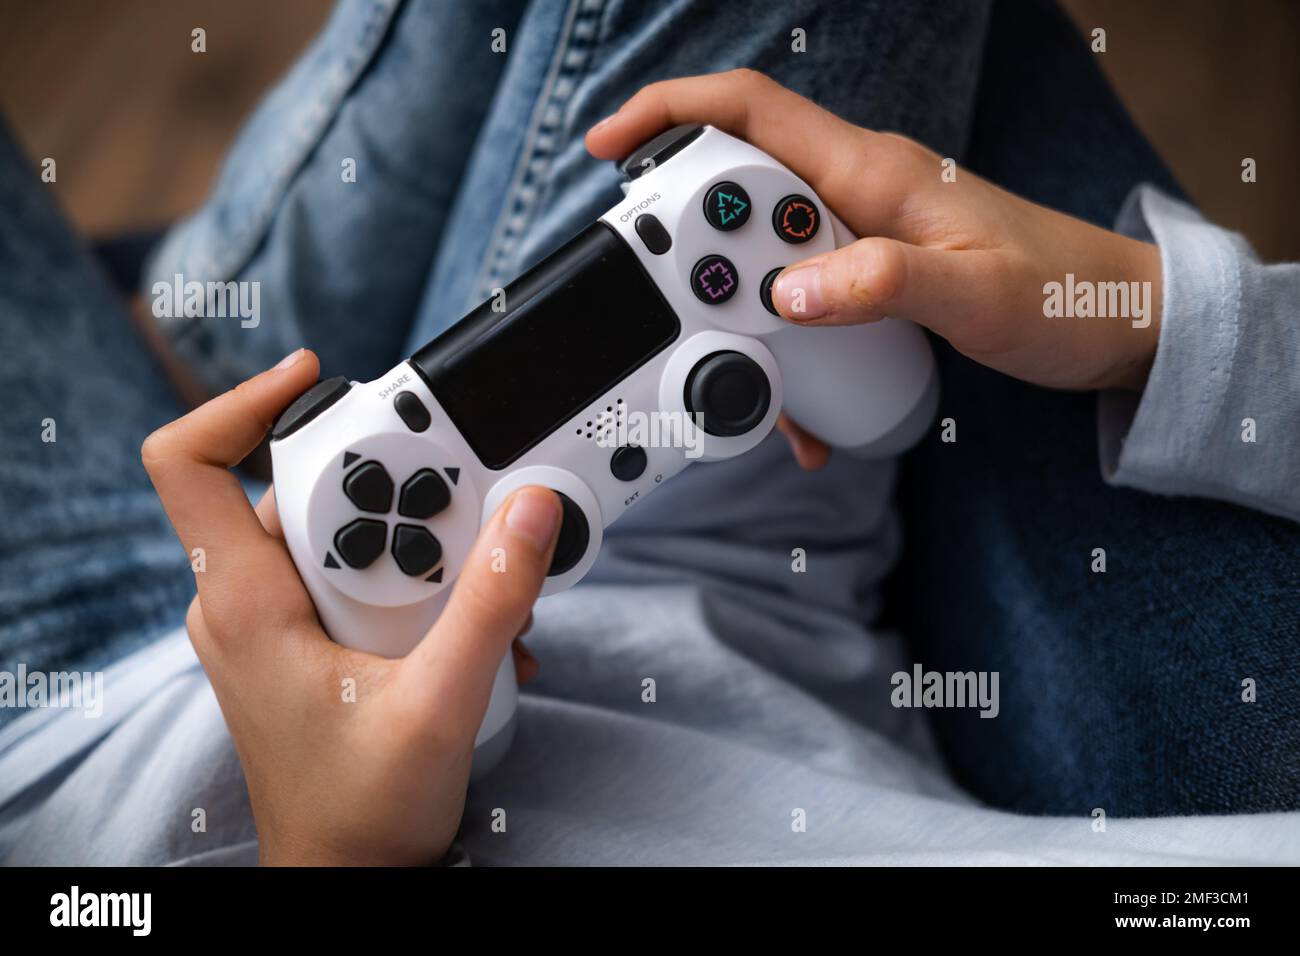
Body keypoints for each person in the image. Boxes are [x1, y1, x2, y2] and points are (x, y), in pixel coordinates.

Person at [2, 0, 1297, 865]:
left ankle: (213, 335)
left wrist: (342, 855)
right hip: (755, 587)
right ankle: (218, 339)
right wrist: (1147, 315)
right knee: (745, 193)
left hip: (103, 765)